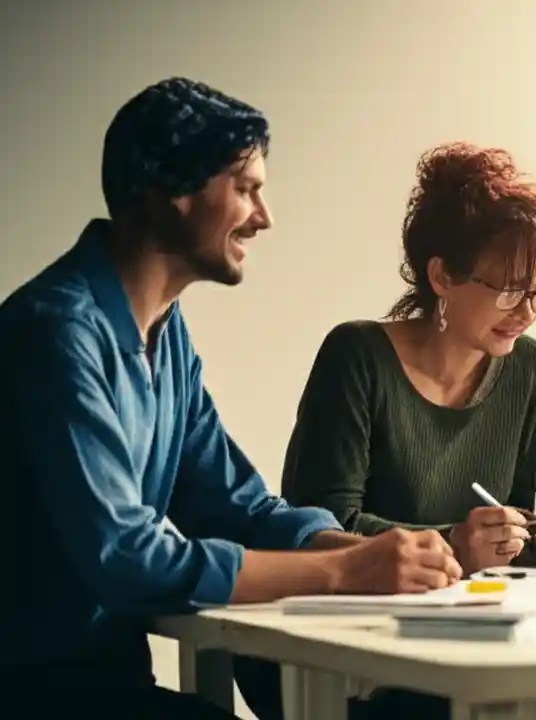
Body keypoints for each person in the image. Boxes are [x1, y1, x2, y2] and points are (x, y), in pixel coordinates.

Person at [0, 78, 461, 718]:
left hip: (104, 682)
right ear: (174, 192)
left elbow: (234, 504)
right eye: (245, 188)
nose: (264, 216)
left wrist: (355, 550)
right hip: (35, 691)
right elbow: (127, 557)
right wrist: (344, 575)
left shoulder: (166, 331)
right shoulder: (56, 332)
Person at [234, 143, 536, 720]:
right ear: (442, 276)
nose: (528, 313)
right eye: (511, 290)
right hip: (339, 644)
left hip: (459, 635)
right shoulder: (357, 354)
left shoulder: (530, 367)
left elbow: (514, 522)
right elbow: (321, 520)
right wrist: (455, 543)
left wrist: (517, 540)